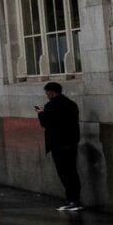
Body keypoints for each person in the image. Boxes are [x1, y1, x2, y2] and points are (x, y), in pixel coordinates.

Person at [38, 82, 83, 212]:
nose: (46, 96)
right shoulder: (71, 104)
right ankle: (74, 200)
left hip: (58, 143)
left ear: (51, 92)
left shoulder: (50, 106)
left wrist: (40, 112)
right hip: (71, 142)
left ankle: (72, 200)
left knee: (64, 173)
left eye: (47, 93)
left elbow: (45, 123)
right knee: (72, 171)